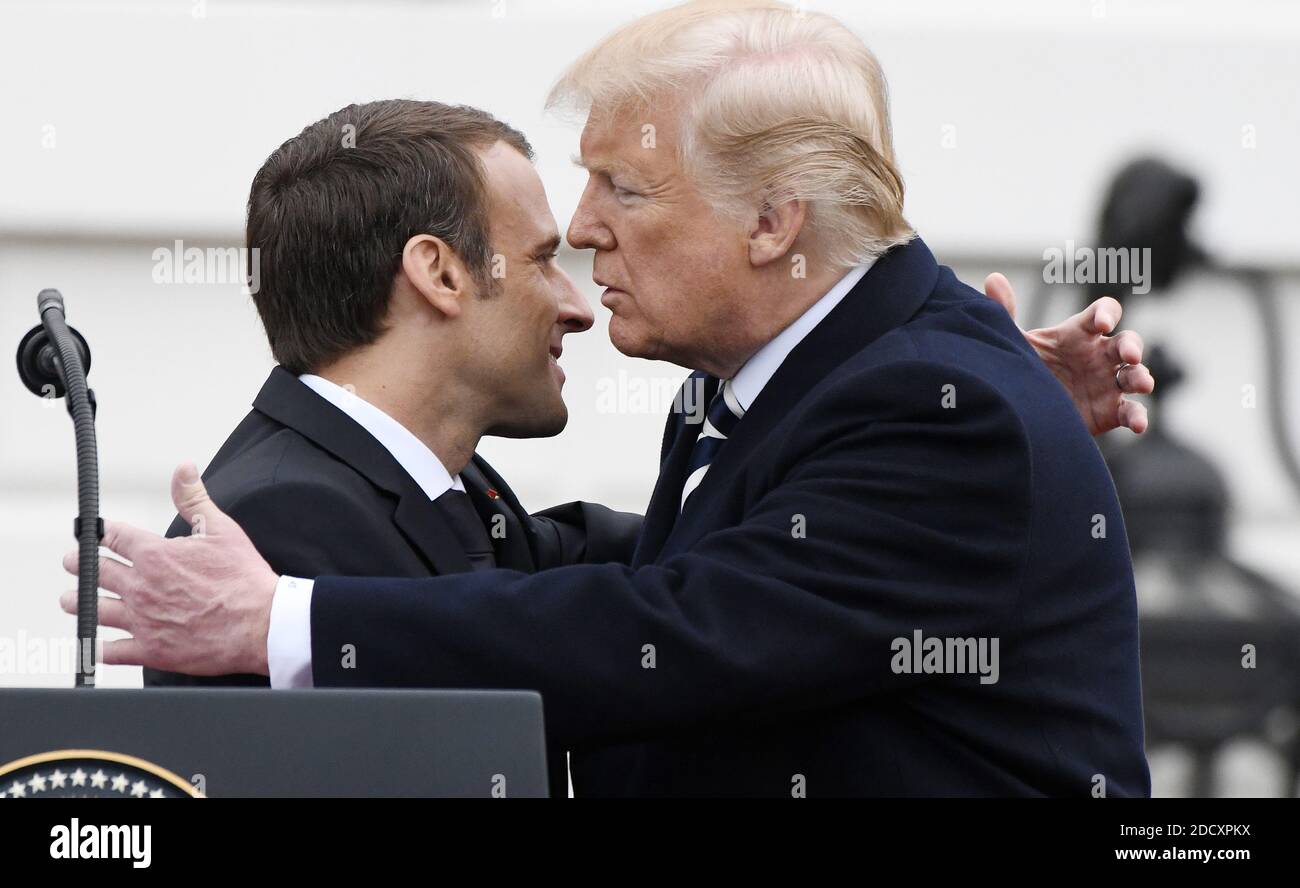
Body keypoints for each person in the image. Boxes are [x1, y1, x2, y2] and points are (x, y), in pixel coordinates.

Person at [65, 1, 1156, 796]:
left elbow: (686, 630)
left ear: (772, 223)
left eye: (623, 188)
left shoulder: (932, 403)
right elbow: (692, 573)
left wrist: (280, 619)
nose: (586, 232)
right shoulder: (835, 381)